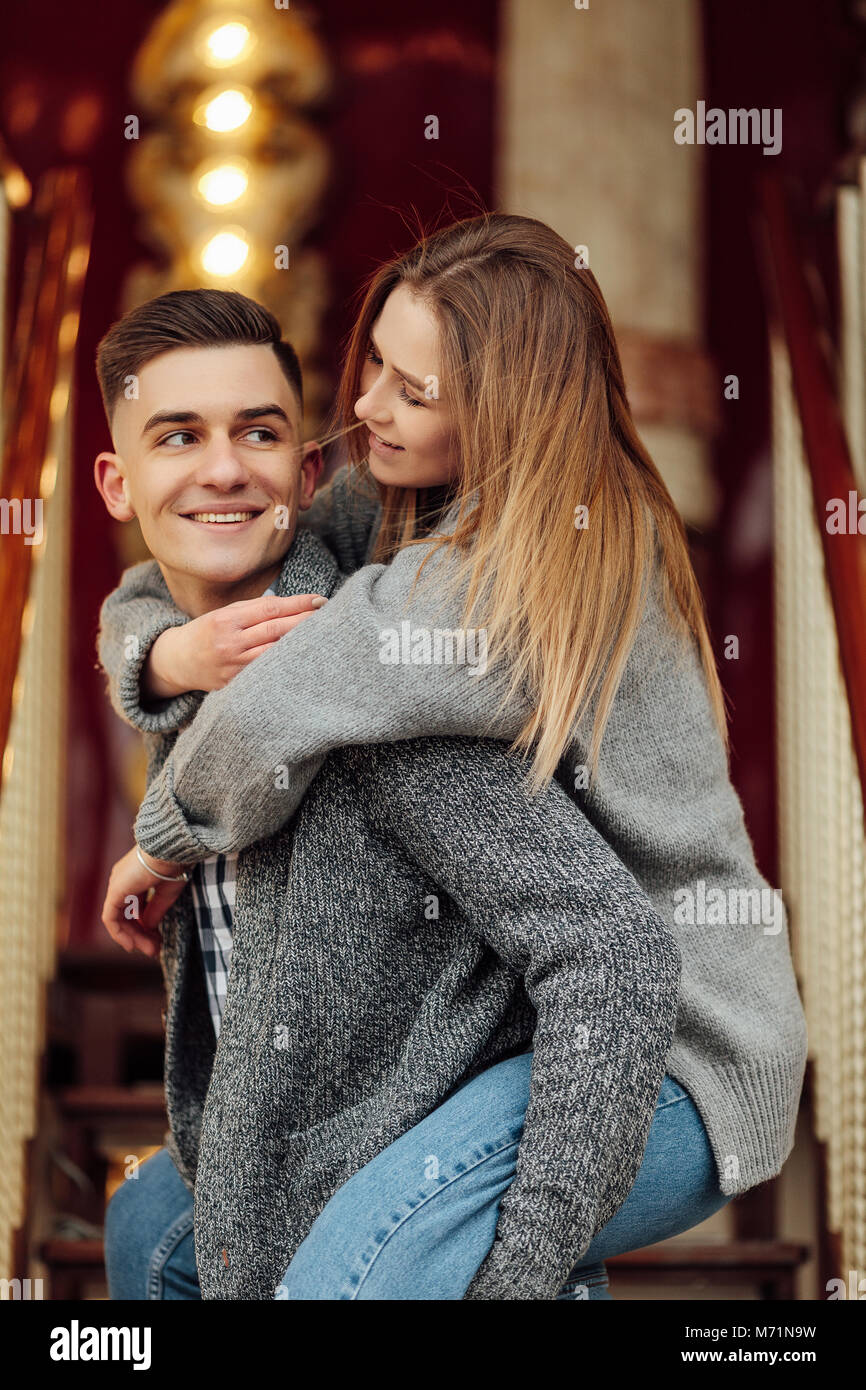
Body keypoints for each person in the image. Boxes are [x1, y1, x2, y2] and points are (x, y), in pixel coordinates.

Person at [102, 211, 808, 1297]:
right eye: (375, 361)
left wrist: (160, 842)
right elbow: (219, 562)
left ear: (503, 415)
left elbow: (286, 691)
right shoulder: (400, 497)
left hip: (671, 1044)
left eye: (413, 391)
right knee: (163, 1225)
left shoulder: (503, 583)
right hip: (538, 1015)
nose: (368, 405)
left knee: (352, 1279)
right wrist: (163, 653)